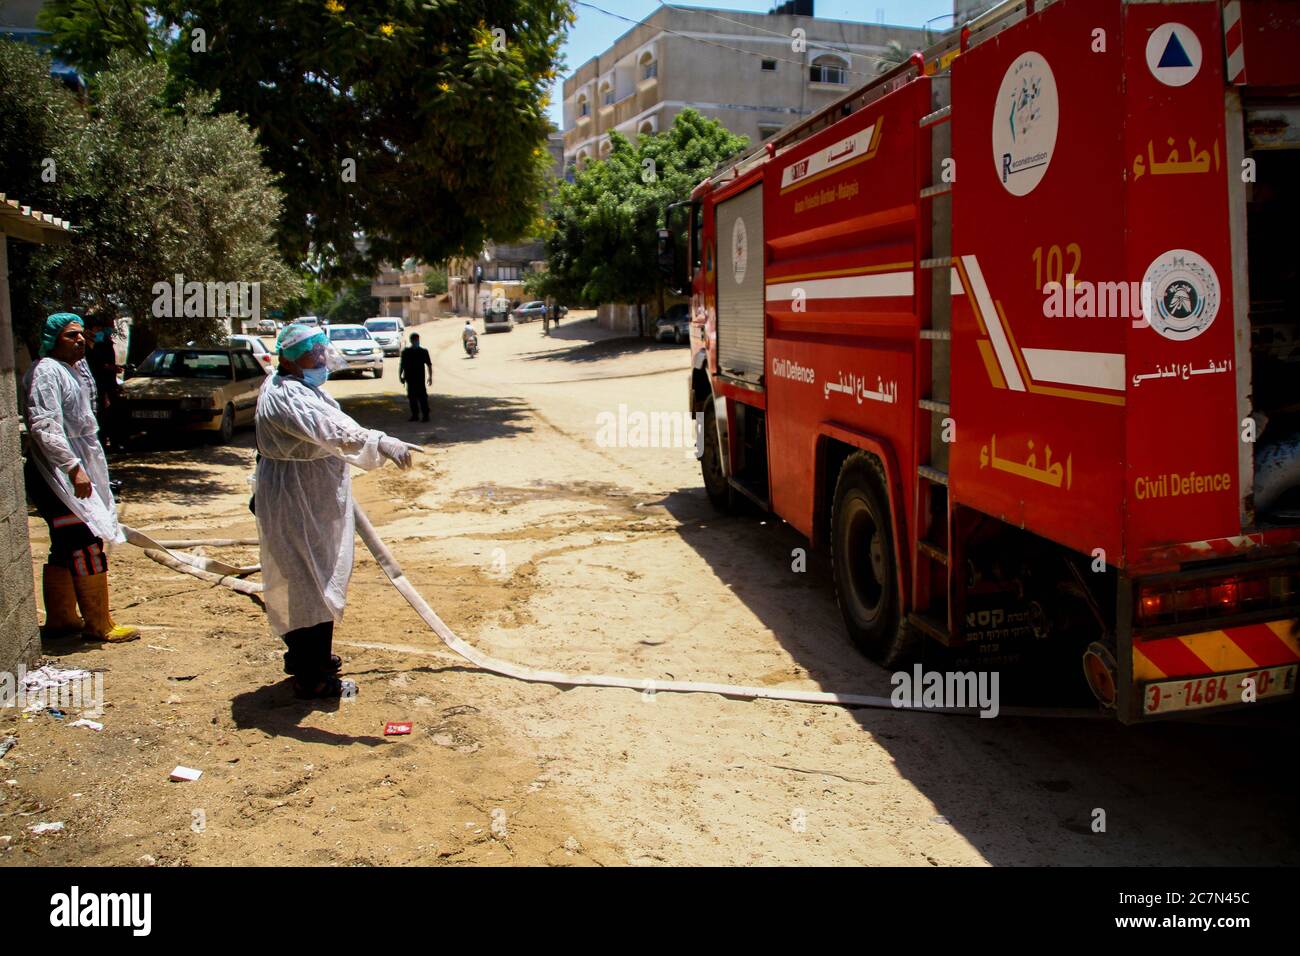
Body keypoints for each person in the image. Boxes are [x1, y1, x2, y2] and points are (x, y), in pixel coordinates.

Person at [255, 324, 414, 699]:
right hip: (299, 501)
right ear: (291, 358)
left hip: (307, 497)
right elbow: (330, 430)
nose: (323, 359)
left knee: (310, 578)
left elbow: (331, 424)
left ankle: (307, 659)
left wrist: (374, 439)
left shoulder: (297, 388)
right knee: (313, 581)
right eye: (316, 353)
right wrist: (379, 442)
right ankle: (313, 676)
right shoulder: (288, 395)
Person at [22, 312, 138, 643]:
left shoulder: (73, 370)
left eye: (80, 335)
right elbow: (44, 425)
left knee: (64, 545)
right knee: (85, 542)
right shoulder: (46, 372)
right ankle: (99, 623)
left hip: (75, 469)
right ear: (53, 340)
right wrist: (73, 467)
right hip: (56, 475)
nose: (78, 340)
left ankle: (61, 619)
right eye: (70, 335)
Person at [398, 333, 433, 422]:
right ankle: (415, 415)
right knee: (412, 398)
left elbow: (429, 365)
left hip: (420, 378)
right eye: (415, 340)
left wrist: (430, 377)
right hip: (410, 378)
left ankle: (425, 415)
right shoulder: (406, 352)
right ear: (412, 341)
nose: (416, 342)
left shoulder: (423, 352)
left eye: (417, 340)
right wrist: (401, 376)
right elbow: (402, 365)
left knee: (422, 398)